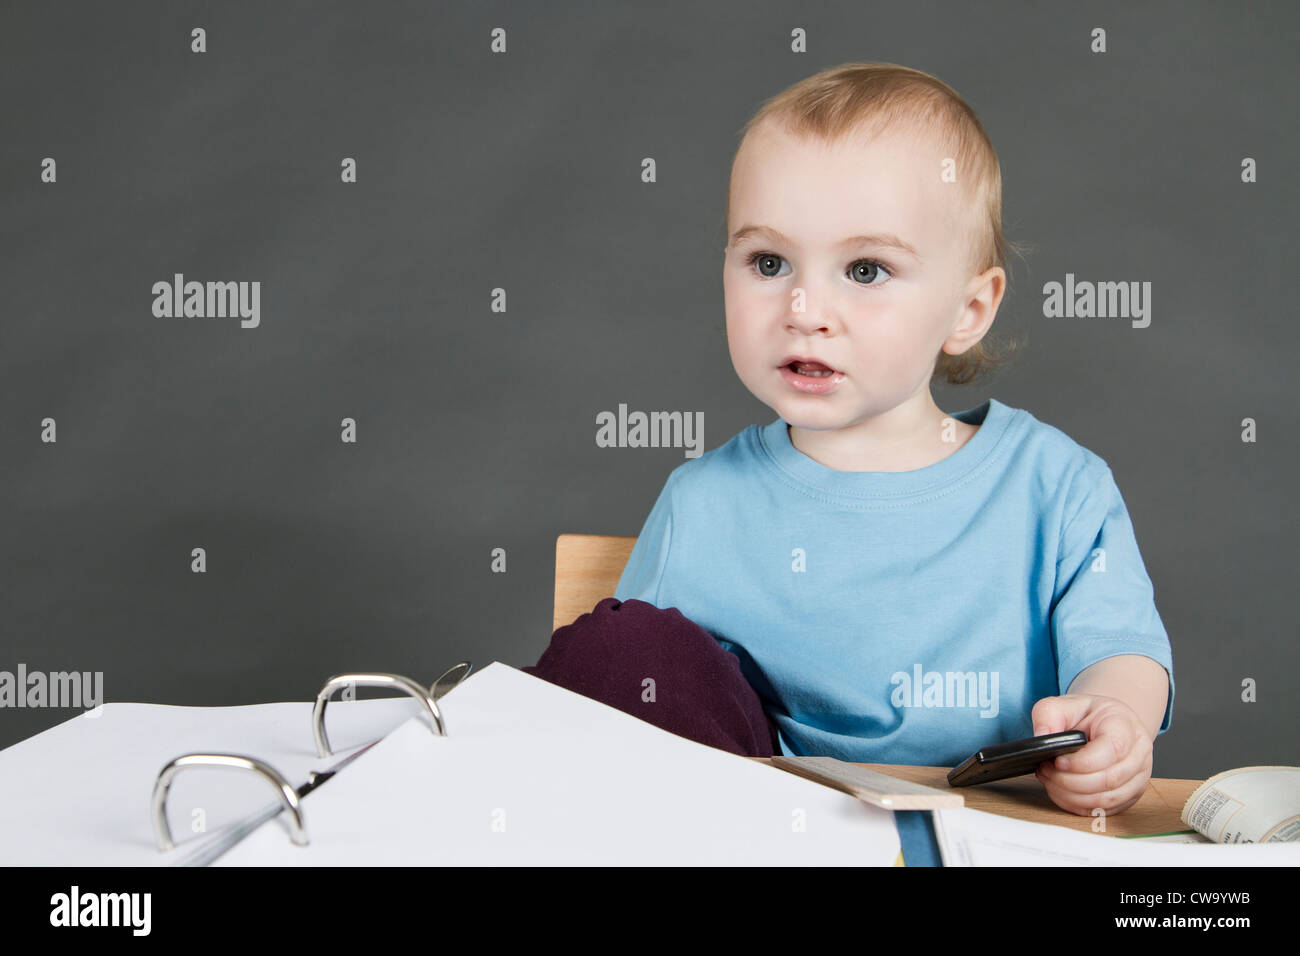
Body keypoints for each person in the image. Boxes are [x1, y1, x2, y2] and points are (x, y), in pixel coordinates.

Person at [527, 62, 1172, 817]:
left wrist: (1111, 717)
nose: (804, 308)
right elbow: (636, 709)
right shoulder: (703, 502)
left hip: (994, 831)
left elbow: (1119, 648)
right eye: (769, 262)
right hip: (767, 835)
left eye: (866, 269)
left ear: (969, 308)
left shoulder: (1058, 488)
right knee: (616, 648)